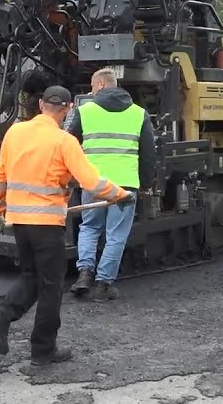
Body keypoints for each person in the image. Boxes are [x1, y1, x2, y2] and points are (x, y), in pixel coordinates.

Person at [0, 86, 136, 366]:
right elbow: (91, 182)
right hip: (46, 224)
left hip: (19, 223)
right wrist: (120, 195)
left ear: (40, 104)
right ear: (67, 109)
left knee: (32, 276)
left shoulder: (14, 133)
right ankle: (43, 350)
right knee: (51, 287)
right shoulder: (64, 141)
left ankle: (0, 318)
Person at [67, 68, 156, 301]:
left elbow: (68, 146)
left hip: (93, 182)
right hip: (125, 186)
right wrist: (147, 183)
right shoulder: (139, 113)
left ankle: (84, 274)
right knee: (116, 235)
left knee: (89, 227)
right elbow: (148, 154)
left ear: (101, 85)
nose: (90, 90)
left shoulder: (84, 111)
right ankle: (103, 285)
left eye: (92, 86)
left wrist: (71, 177)